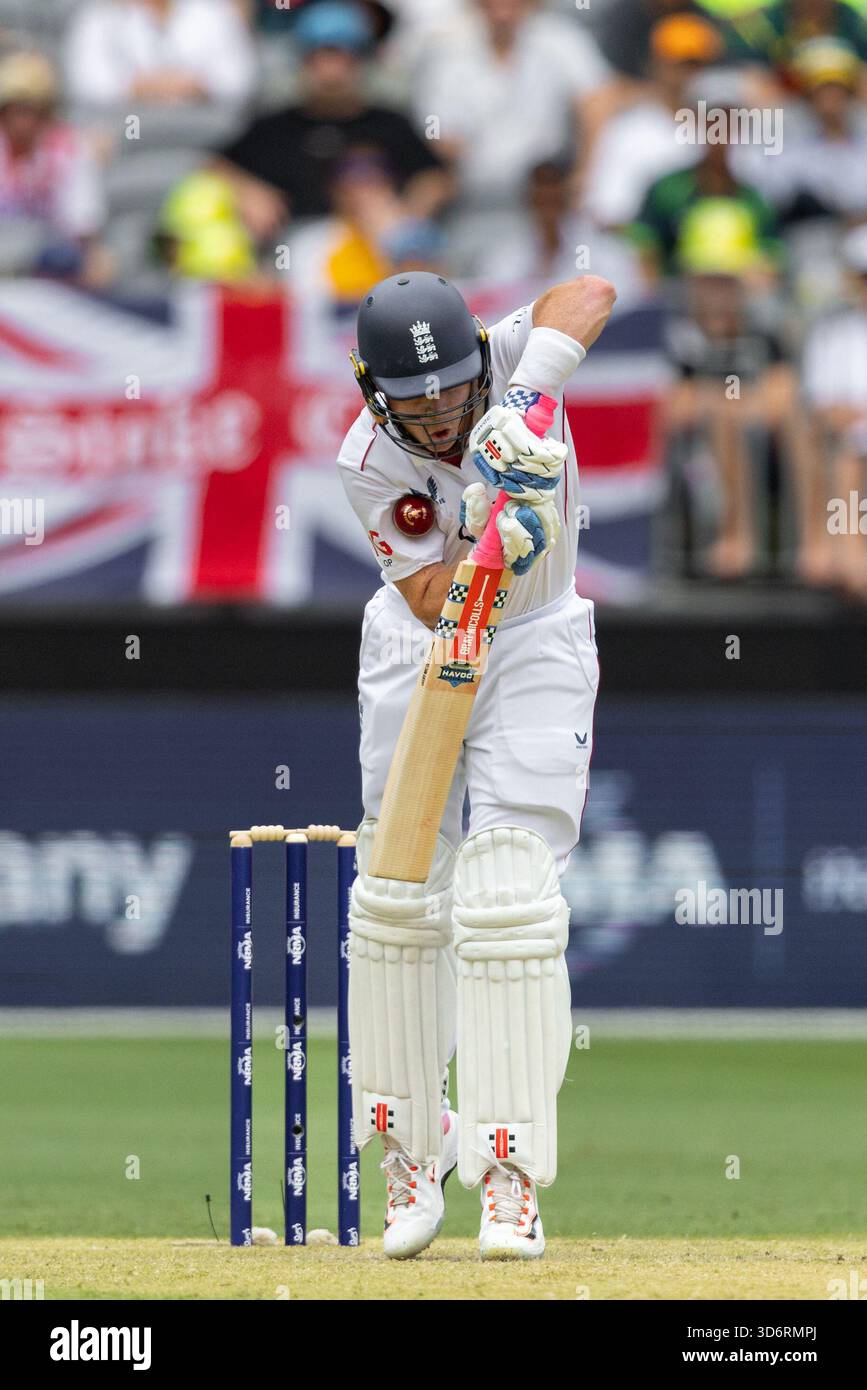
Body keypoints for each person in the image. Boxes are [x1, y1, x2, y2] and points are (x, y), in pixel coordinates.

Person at [337, 268, 615, 1258]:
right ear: (374, 390)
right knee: (399, 898)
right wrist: (512, 527)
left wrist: (531, 402)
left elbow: (591, 288)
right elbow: (435, 601)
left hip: (537, 642)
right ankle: (414, 1148)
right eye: (416, 402)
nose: (444, 414)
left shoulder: (503, 360)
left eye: (455, 391)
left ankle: (507, 1172)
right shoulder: (368, 460)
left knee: (509, 896)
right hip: (425, 643)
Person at [215, 0, 450, 240]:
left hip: (375, 250)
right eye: (318, 56)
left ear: (361, 60)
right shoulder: (273, 127)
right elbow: (214, 165)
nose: (330, 70)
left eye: (341, 56)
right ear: (302, 62)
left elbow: (434, 175)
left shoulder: (388, 123)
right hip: (292, 249)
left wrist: (408, 218)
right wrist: (248, 190)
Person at [0, 50, 108, 284]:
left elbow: (83, 222)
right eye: (17, 110)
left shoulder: (70, 149)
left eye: (34, 111)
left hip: (50, 255)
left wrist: (93, 255)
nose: (25, 121)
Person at [64, 0, 257, 107]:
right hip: (128, 132)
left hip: (203, 131)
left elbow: (239, 81)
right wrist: (142, 87)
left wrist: (194, 86)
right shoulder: (99, 16)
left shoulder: (213, 11)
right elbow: (87, 86)